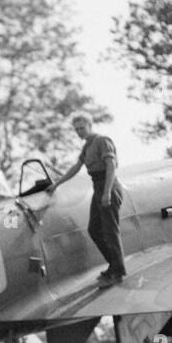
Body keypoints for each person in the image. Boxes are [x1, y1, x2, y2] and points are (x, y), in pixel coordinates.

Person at [52, 111, 126, 287]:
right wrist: (57, 184)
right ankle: (114, 264)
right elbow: (76, 167)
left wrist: (107, 192)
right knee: (94, 229)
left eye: (82, 128)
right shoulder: (87, 146)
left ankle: (118, 272)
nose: (79, 132)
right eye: (76, 129)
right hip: (97, 188)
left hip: (109, 186)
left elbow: (111, 166)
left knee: (110, 232)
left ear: (90, 125)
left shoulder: (102, 141)